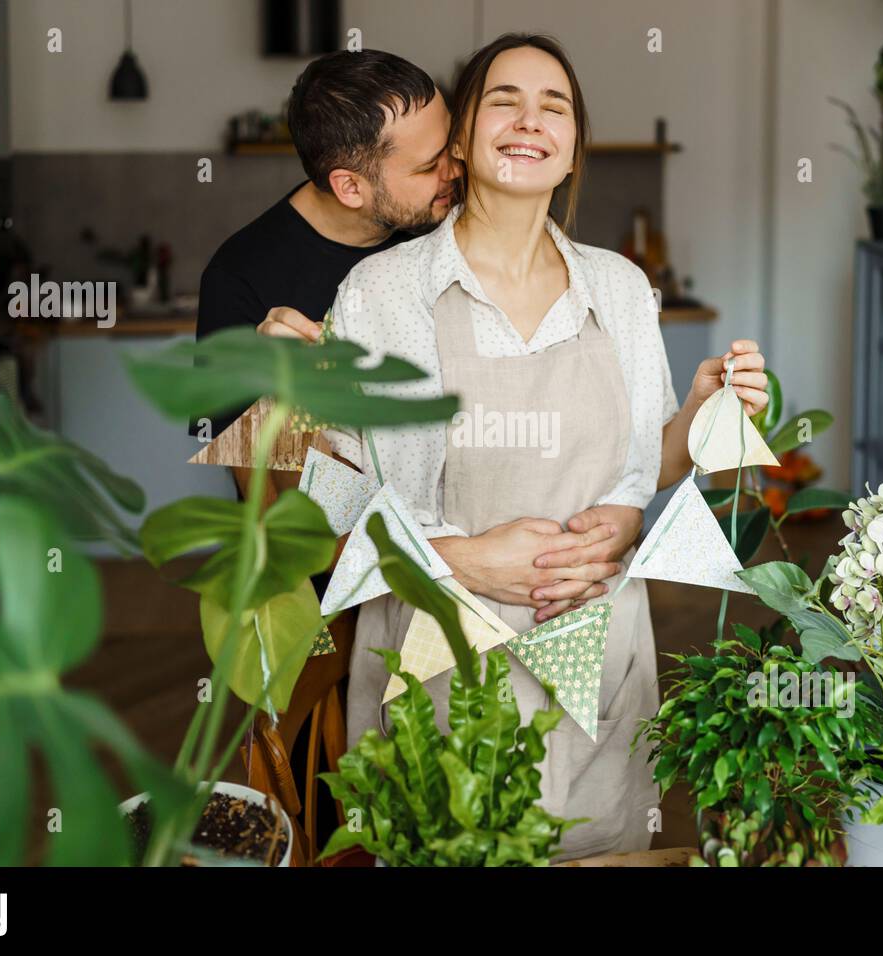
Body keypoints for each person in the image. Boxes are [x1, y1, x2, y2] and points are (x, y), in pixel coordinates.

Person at [321, 34, 768, 860]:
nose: (530, 120)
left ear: (570, 150)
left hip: (596, 662)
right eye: (504, 100)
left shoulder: (622, 289)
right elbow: (333, 514)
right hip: (437, 667)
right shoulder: (380, 295)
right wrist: (462, 559)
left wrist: (702, 413)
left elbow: (646, 466)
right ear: (459, 139)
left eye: (554, 106)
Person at [194, 48, 638, 621]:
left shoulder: (443, 228)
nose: (456, 168)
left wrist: (607, 524)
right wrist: (458, 561)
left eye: (453, 143)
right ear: (351, 187)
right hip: (332, 611)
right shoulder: (241, 281)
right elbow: (276, 523)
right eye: (430, 166)